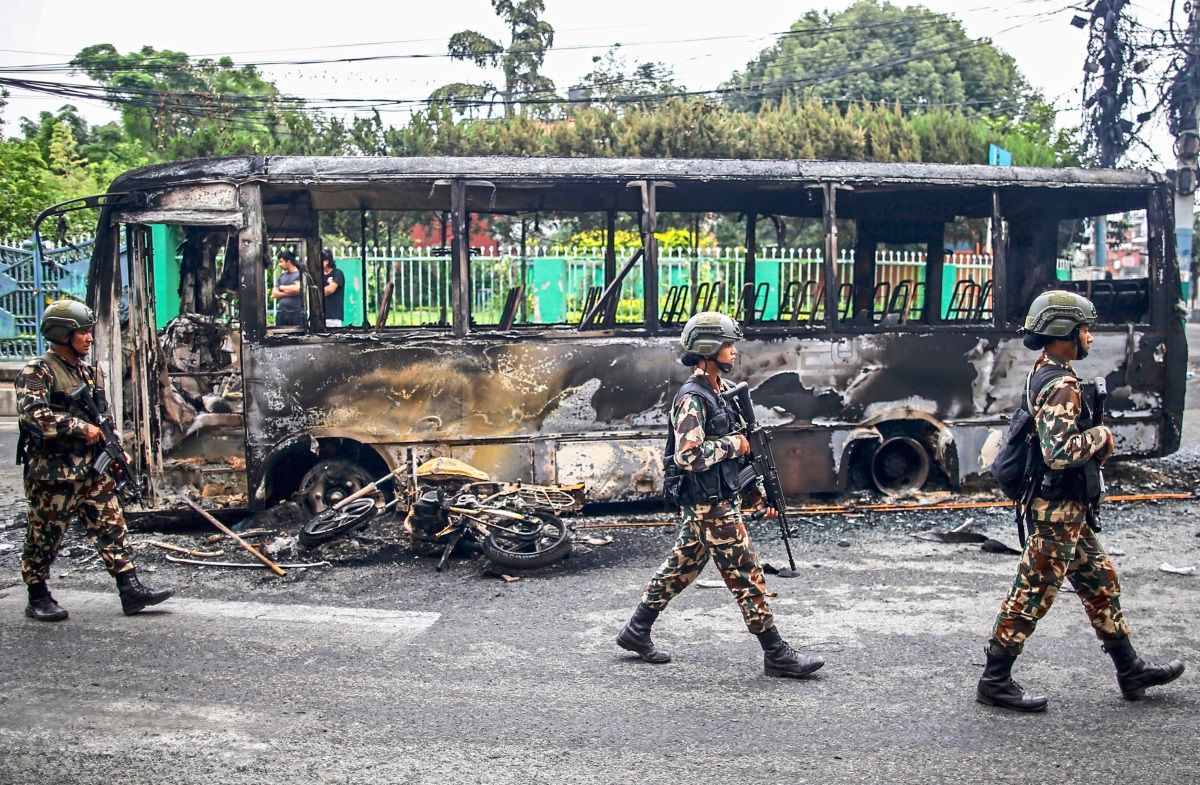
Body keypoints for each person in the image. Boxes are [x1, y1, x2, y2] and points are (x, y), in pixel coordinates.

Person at [977, 291, 1184, 711]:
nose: (1089, 336)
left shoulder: (1048, 371)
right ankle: (994, 680)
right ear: (1063, 332)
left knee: (1101, 582)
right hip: (1055, 513)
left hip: (1068, 512)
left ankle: (1130, 669)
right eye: (1084, 329)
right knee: (1032, 592)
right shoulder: (1061, 385)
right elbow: (1059, 452)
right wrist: (1101, 436)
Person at [616, 311, 824, 678]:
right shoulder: (693, 398)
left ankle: (636, 630)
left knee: (682, 566)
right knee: (746, 573)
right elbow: (689, 455)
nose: (734, 351)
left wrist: (757, 494)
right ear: (708, 349)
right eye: (728, 344)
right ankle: (776, 653)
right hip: (709, 504)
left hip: (715, 499)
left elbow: (740, 457)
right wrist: (734, 444)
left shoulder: (721, 392)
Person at [15, 299, 174, 621]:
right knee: (45, 536)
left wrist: (115, 445)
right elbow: (33, 416)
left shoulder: (89, 372)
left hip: (91, 470)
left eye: (89, 332)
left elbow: (102, 415)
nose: (89, 338)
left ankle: (130, 589)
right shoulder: (39, 370)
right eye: (83, 333)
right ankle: (37, 594)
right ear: (63, 334)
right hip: (54, 474)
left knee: (112, 525)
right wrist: (77, 427)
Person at [270, 249, 304, 327]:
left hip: (295, 313)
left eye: (281, 261)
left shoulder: (300, 275)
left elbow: (297, 289)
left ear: (288, 261)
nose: (279, 264)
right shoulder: (282, 276)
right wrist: (290, 291)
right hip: (282, 314)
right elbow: (274, 294)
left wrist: (282, 287)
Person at [320, 249, 345, 328]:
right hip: (320, 317)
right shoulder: (319, 275)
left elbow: (330, 290)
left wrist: (316, 293)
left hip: (333, 317)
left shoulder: (337, 273)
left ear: (326, 261)